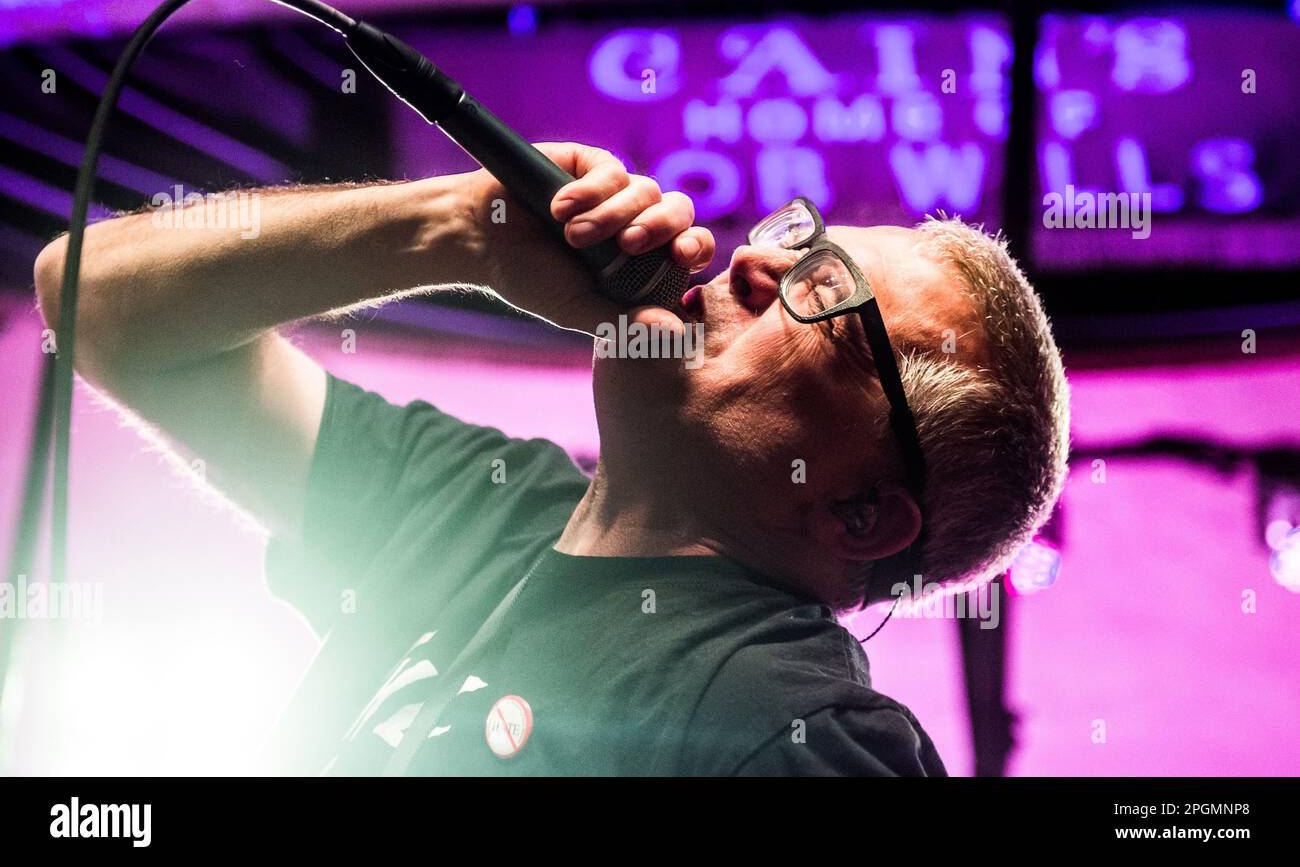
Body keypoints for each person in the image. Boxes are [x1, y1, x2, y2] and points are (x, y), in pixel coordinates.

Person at [34, 143, 1069, 775]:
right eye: (797, 238)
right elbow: (100, 304)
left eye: (826, 293)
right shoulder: (486, 505)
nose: (754, 260)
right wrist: (453, 229)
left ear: (858, 515)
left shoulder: (805, 733)